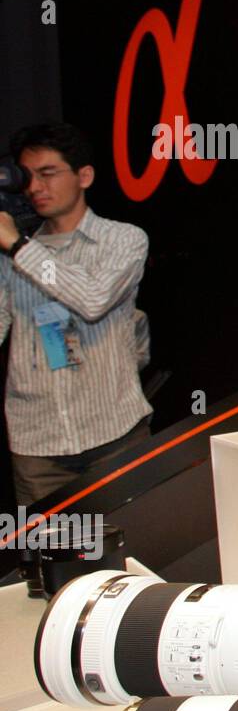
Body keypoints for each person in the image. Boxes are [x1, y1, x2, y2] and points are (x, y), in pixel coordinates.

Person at [0, 124, 152, 504]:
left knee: (136, 546)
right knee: (51, 560)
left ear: (84, 176)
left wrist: (19, 247)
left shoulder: (124, 239)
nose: (35, 187)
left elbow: (92, 298)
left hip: (113, 434)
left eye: (48, 173)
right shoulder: (11, 251)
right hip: (37, 446)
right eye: (28, 177)